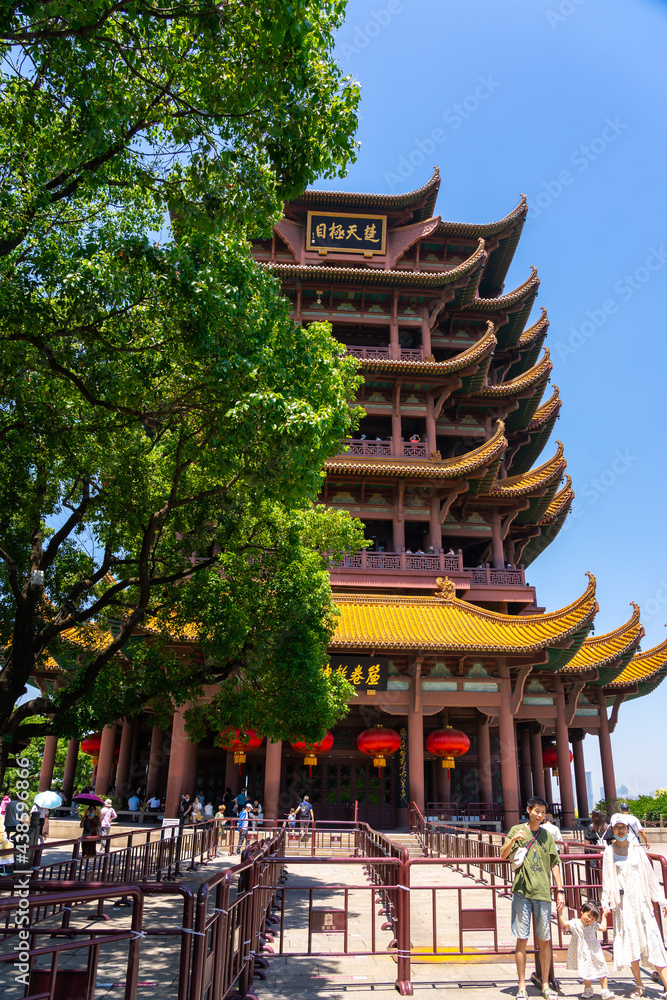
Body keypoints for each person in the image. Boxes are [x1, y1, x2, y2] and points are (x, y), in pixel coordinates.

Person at [500, 795, 565, 1000]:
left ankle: (545, 983)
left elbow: (555, 863)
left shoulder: (547, 836)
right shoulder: (516, 830)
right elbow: (503, 855)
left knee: (545, 940)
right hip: (521, 891)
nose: (540, 815)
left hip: (543, 892)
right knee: (522, 939)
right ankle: (521, 985)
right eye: (536, 811)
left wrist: (560, 889)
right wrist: (513, 839)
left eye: (543, 813)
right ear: (528, 810)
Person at [600, 814, 667, 997]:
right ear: (612, 830)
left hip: (641, 902)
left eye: (624, 827)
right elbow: (607, 880)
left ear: (628, 829)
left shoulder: (637, 850)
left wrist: (661, 900)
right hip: (623, 905)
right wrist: (605, 903)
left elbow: (650, 876)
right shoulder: (609, 852)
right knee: (631, 944)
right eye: (617, 827)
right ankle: (639, 985)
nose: (620, 830)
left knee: (653, 941)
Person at [558, 899, 614, 999]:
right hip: (583, 952)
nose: (589, 920)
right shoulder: (575, 923)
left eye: (593, 918)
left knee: (601, 968)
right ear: (582, 911)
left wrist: (604, 916)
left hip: (595, 950)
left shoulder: (593, 925)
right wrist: (560, 912)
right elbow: (564, 923)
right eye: (588, 916)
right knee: (587, 971)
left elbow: (603, 928)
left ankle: (605, 991)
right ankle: (588, 990)